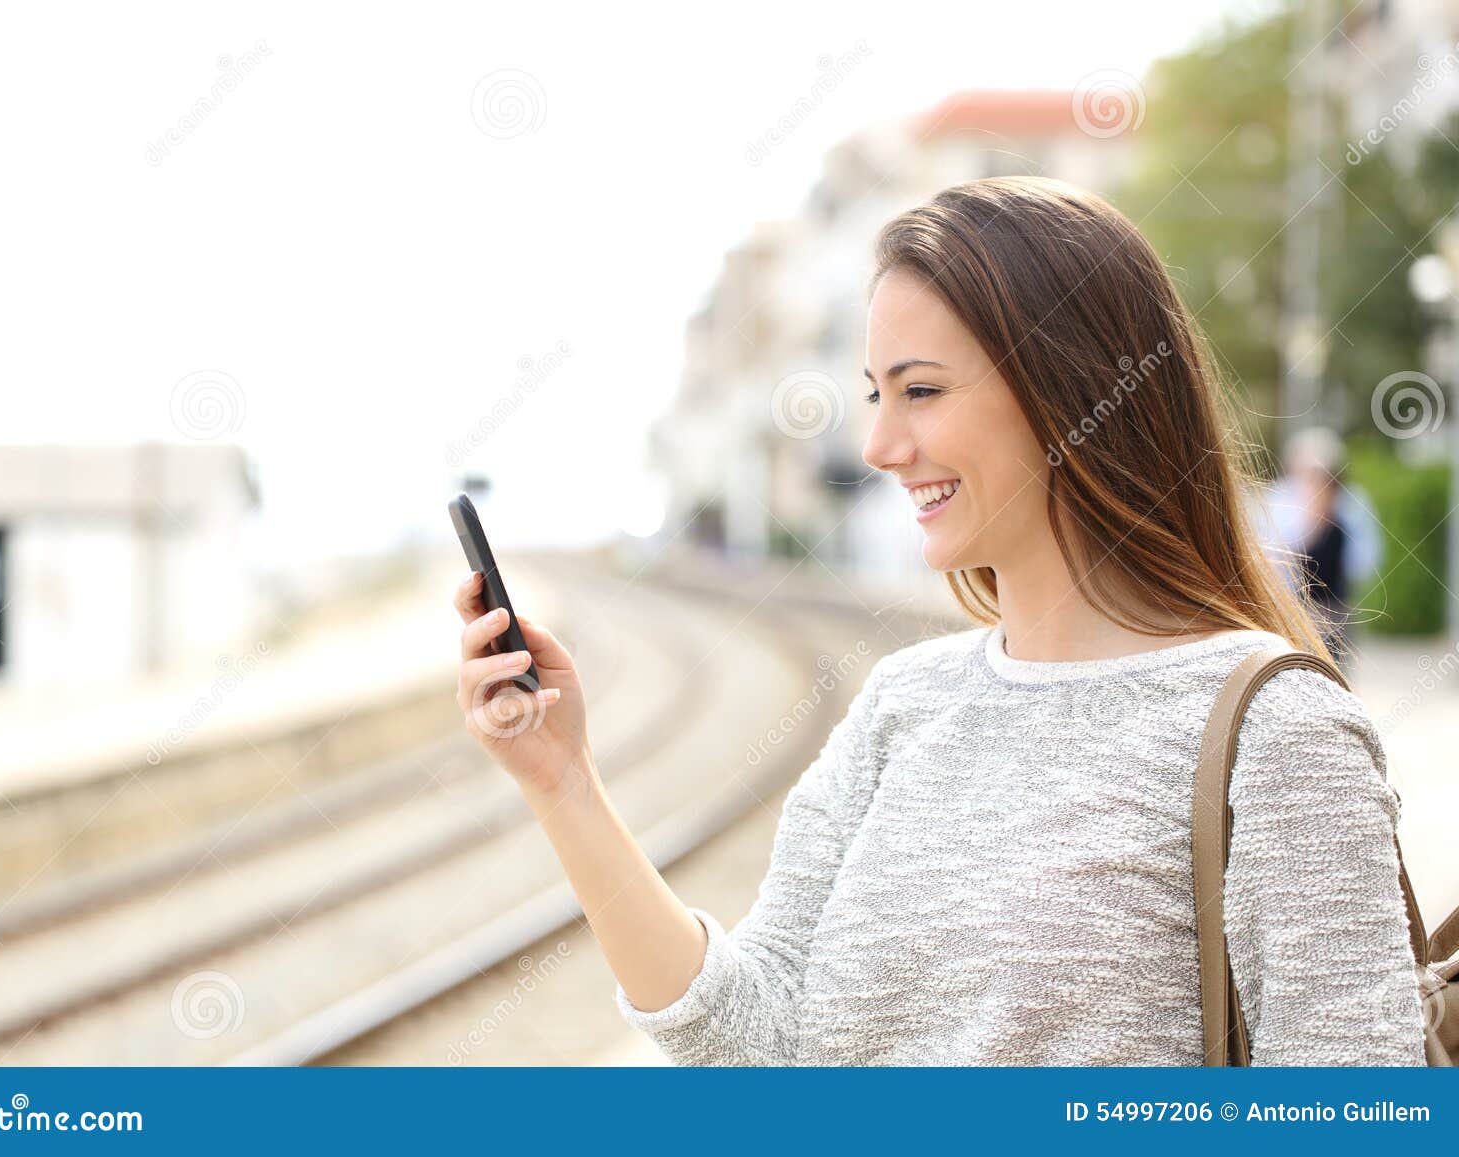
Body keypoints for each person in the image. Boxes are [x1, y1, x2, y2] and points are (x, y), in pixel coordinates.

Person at [450, 176, 1428, 1065]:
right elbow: (756, 1041)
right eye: (877, 396)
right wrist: (564, 781)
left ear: (1073, 389)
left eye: (920, 391)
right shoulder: (900, 705)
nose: (880, 444)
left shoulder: (1279, 733)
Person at [1254, 427, 1382, 664]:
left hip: (1335, 612)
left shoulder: (1351, 506)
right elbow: (1271, 556)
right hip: (1291, 611)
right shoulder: (1279, 501)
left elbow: (1363, 560)